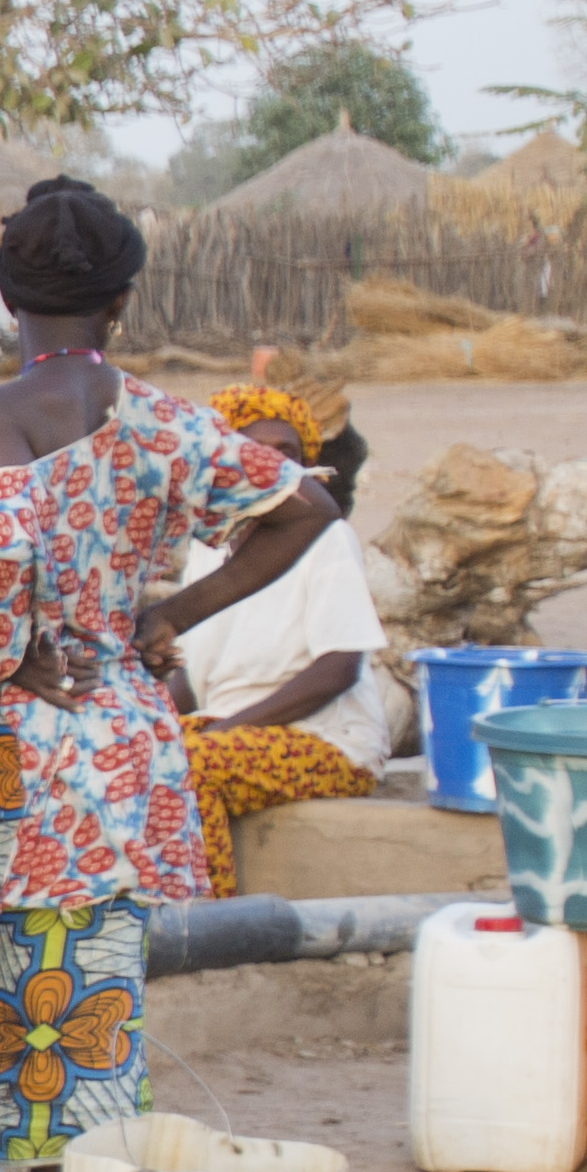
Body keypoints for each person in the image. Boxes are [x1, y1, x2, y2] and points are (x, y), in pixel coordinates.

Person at [0, 177, 332, 1172]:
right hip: (124, 740)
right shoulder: (165, 420)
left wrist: (5, 650)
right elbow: (300, 509)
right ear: (122, 300)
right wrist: (166, 616)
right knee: (82, 987)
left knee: (47, 991)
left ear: (4, 292)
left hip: (36, 747)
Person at [168, 380, 399, 892]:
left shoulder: (324, 537)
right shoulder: (211, 545)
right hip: (234, 727)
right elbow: (194, 673)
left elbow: (337, 670)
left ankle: (207, 915)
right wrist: (141, 718)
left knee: (191, 764)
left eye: (288, 453)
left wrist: (226, 732)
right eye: (258, 451)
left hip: (328, 743)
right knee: (124, 750)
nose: (275, 464)